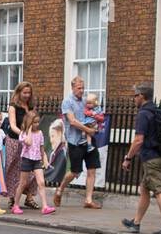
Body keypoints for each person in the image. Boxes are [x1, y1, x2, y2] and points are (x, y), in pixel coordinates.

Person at [120, 82, 161, 234]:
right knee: (144, 189)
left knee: (159, 191)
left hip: (152, 158)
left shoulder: (143, 114)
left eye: (135, 96)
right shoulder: (155, 111)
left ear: (141, 96)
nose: (134, 99)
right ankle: (136, 223)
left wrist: (128, 158)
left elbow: (138, 140)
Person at [57, 75, 102, 209]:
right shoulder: (67, 102)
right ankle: (60, 190)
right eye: (79, 88)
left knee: (92, 169)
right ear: (72, 88)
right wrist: (88, 130)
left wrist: (96, 122)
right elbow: (72, 121)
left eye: (83, 88)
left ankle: (88, 200)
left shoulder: (85, 101)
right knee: (75, 171)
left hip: (88, 139)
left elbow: (94, 111)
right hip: (75, 141)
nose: (81, 90)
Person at [15, 110, 55, 216]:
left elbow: (41, 148)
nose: (37, 124)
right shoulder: (23, 134)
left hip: (37, 160)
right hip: (26, 159)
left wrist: (44, 159)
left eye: (38, 122)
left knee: (41, 182)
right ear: (29, 122)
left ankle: (45, 207)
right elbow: (28, 142)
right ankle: (15, 205)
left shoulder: (40, 133)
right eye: (34, 122)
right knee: (23, 184)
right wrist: (28, 129)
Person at [3, 82, 36, 210]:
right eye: (25, 93)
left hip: (28, 142)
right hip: (14, 141)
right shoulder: (13, 106)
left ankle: (29, 198)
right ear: (18, 92)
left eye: (29, 93)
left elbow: (33, 123)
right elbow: (12, 125)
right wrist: (23, 136)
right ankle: (12, 198)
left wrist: (33, 135)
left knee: (32, 170)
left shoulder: (31, 106)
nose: (27, 95)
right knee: (13, 170)